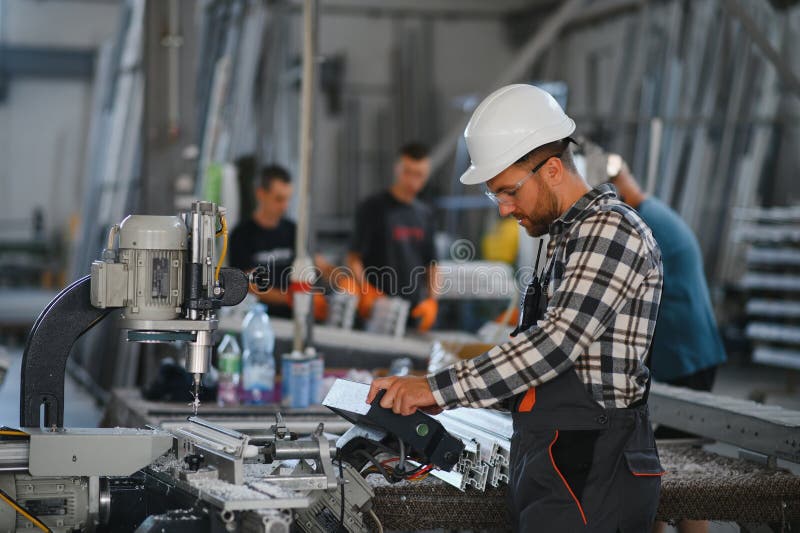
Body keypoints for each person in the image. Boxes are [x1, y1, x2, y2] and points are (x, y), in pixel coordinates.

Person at [366, 84, 665, 532]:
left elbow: (554, 346)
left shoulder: (610, 231)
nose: (504, 208)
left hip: (594, 473)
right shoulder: (563, 238)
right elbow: (543, 374)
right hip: (555, 462)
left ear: (551, 170)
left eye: (508, 191)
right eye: (495, 195)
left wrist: (436, 388)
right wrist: (445, 405)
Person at [579, 143, 727, 533]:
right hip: (690, 351)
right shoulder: (654, 213)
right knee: (656, 469)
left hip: (687, 356)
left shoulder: (636, 224)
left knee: (679, 476)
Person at [346, 142, 439, 332]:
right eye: (408, 172)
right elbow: (354, 258)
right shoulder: (372, 208)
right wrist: (366, 291)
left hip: (414, 312)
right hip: (378, 310)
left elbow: (433, 265)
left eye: (419, 175)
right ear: (397, 169)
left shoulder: (425, 214)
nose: (413, 181)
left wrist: (432, 301)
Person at [229, 164, 331, 320]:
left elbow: (319, 263)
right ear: (261, 194)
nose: (285, 206)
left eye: (288, 199)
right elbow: (249, 284)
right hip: (259, 318)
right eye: (279, 199)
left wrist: (342, 279)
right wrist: (292, 298)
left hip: (295, 318)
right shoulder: (242, 235)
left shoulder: (294, 230)